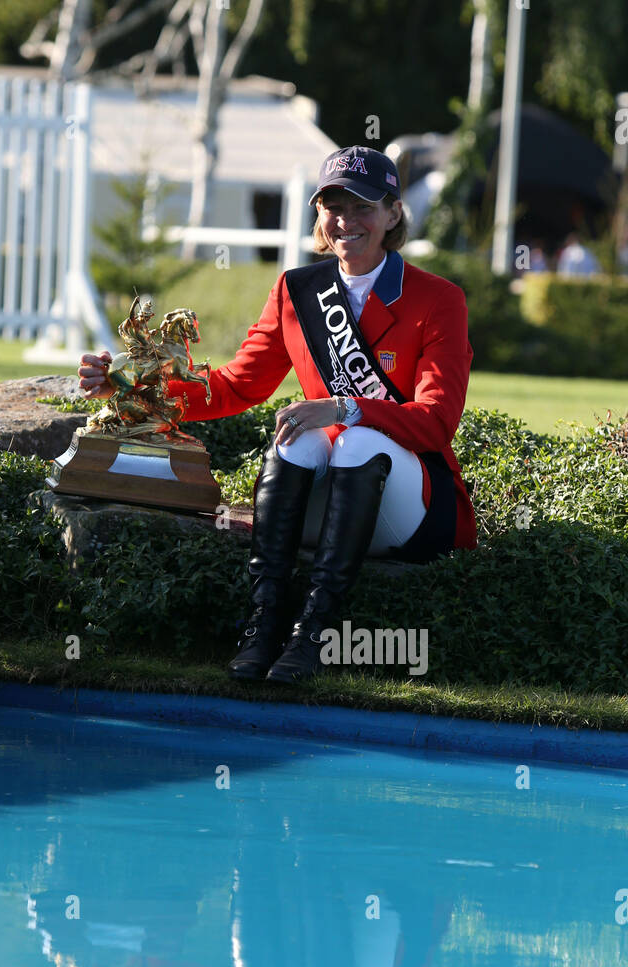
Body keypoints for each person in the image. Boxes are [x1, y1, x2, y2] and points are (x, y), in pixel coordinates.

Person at [79, 145, 477, 683]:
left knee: (352, 439)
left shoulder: (438, 299)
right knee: (296, 438)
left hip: (413, 506)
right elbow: (234, 387)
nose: (346, 220)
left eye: (362, 206)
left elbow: (435, 421)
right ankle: (264, 625)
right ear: (318, 216)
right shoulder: (297, 289)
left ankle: (313, 633)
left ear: (392, 214)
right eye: (332, 205)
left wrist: (343, 407)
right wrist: (128, 386)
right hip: (334, 504)